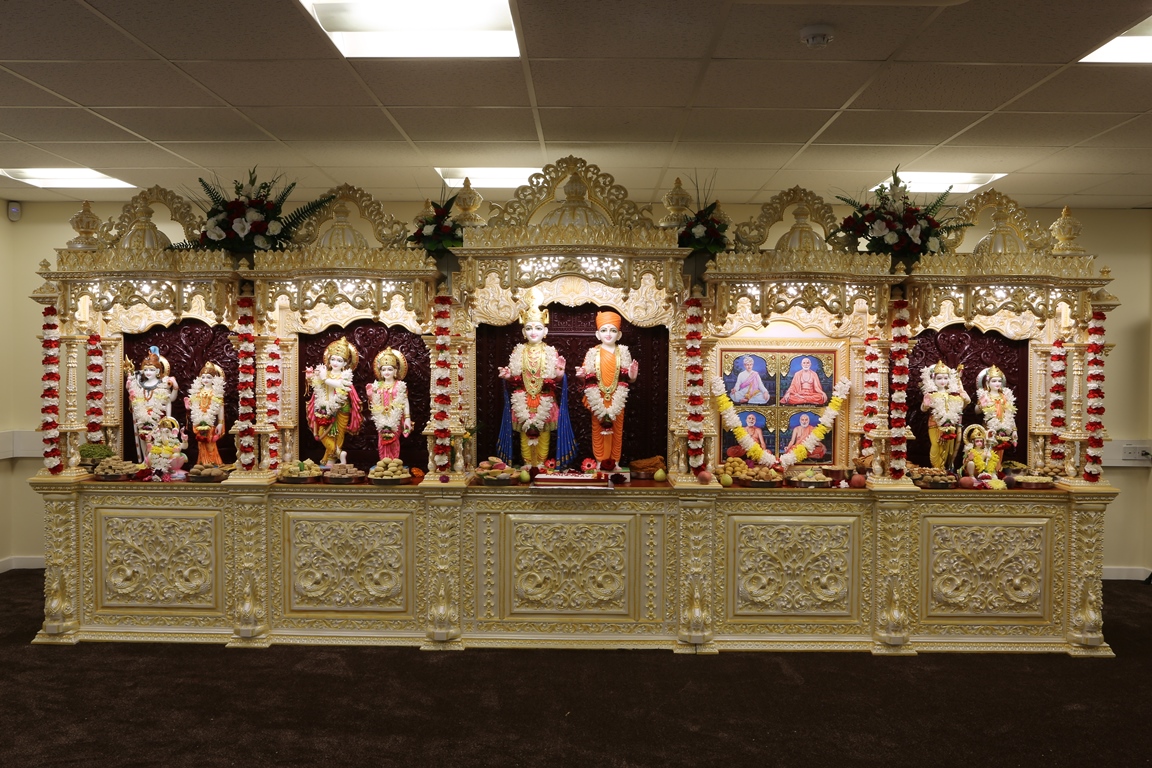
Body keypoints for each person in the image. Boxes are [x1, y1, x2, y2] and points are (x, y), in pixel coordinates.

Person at [498, 302, 570, 468]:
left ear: (545, 331)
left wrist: (560, 374)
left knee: (543, 432)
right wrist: (508, 377)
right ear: (524, 332)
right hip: (522, 398)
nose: (533, 332)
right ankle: (528, 463)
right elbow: (515, 376)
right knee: (525, 430)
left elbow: (556, 378)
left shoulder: (551, 352)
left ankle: (542, 464)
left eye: (538, 328)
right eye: (529, 328)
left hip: (545, 398)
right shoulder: (518, 351)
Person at [577, 310, 638, 463]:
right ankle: (599, 461)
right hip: (597, 398)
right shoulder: (592, 353)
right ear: (598, 334)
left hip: (618, 399)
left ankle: (615, 462)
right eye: (604, 330)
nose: (608, 334)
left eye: (613, 330)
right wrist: (581, 376)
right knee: (598, 430)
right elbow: (585, 379)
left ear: (619, 335)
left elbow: (628, 379)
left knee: (617, 431)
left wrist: (633, 375)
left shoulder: (623, 352)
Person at [305, 336, 363, 465]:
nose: (335, 362)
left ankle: (330, 461)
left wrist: (325, 378)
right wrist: (310, 378)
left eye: (339, 360)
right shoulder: (324, 372)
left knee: (338, 435)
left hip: (341, 408)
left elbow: (342, 386)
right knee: (322, 433)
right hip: (324, 407)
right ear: (328, 359)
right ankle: (339, 453)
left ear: (345, 363)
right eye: (333, 359)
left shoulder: (345, 376)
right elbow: (317, 387)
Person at [125, 345, 179, 463]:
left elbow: (170, 400)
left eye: (152, 370)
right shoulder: (140, 384)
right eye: (146, 369)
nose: (148, 372)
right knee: (144, 441)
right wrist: (130, 385)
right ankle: (145, 463)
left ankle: (157, 465)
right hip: (143, 417)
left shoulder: (163, 384)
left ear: (158, 371)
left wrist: (175, 388)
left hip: (158, 418)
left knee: (158, 444)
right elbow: (133, 399)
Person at [920, 360, 970, 470]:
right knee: (936, 445)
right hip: (935, 424)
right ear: (933, 379)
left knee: (947, 448)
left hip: (950, 424)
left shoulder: (953, 394)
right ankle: (936, 468)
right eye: (939, 378)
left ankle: (943, 469)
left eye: (945, 378)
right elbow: (923, 409)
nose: (943, 381)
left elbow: (961, 407)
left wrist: (966, 400)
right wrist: (925, 404)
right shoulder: (931, 393)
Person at [366, 347, 412, 461]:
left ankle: (394, 462)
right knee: (382, 440)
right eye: (384, 369)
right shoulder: (377, 386)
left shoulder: (400, 385)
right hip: (381, 418)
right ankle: (383, 462)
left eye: (390, 369)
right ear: (380, 371)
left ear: (396, 371)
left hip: (395, 418)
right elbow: (373, 403)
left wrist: (407, 418)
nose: (387, 372)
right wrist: (371, 394)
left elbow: (405, 401)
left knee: (393, 440)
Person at [185, 361, 226, 465]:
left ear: (214, 379)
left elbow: (220, 407)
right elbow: (194, 406)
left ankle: (213, 463)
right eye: (203, 377)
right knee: (200, 444)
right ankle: (202, 463)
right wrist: (188, 406)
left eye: (208, 377)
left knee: (210, 443)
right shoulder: (197, 392)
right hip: (199, 420)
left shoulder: (216, 392)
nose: (205, 380)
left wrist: (220, 423)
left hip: (211, 420)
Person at [976, 365, 1017, 462]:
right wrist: (981, 404)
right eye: (994, 381)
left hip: (1003, 427)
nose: (997, 383)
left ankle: (997, 471)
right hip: (989, 427)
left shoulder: (1005, 396)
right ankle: (988, 471)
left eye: (999, 381)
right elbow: (976, 411)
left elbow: (1010, 414)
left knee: (1000, 452)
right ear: (987, 382)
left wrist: (1014, 430)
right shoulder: (985, 395)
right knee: (988, 451)